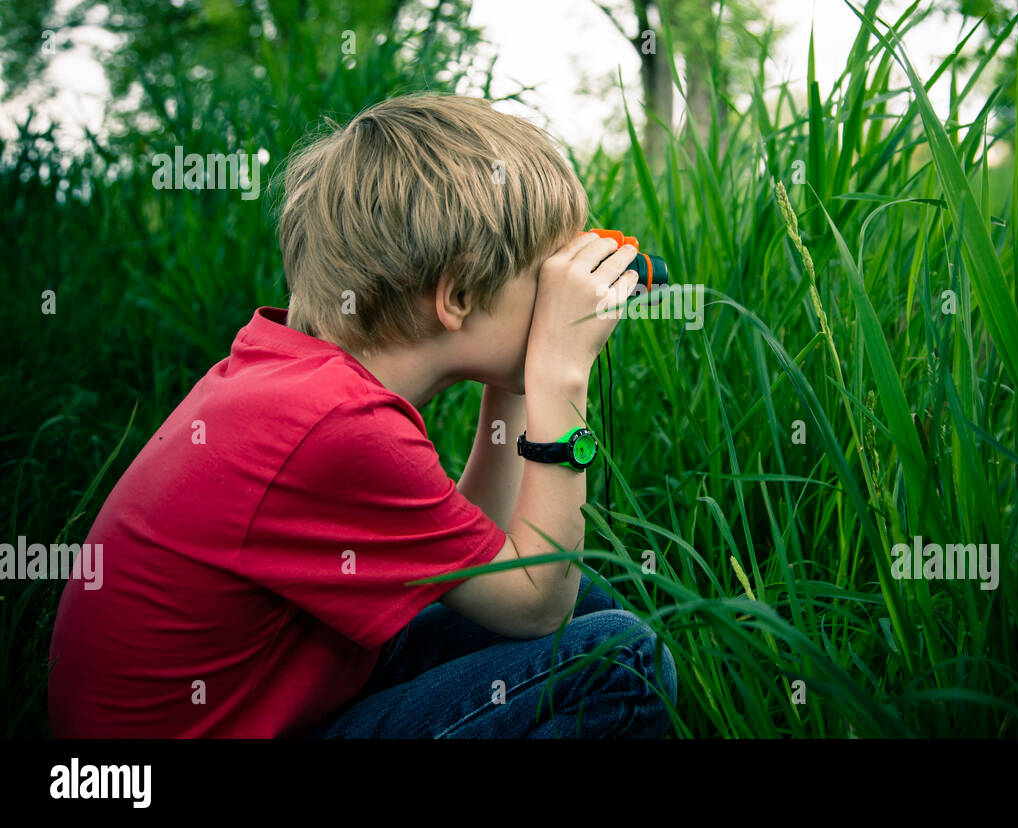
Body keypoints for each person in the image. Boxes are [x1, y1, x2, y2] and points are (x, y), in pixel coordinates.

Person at [47, 92, 677, 738]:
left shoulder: (303, 383)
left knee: (590, 607)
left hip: (275, 702)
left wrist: (517, 382)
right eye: (540, 279)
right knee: (623, 661)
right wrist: (560, 376)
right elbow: (537, 604)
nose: (556, 296)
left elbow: (487, 570)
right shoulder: (337, 427)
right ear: (458, 295)